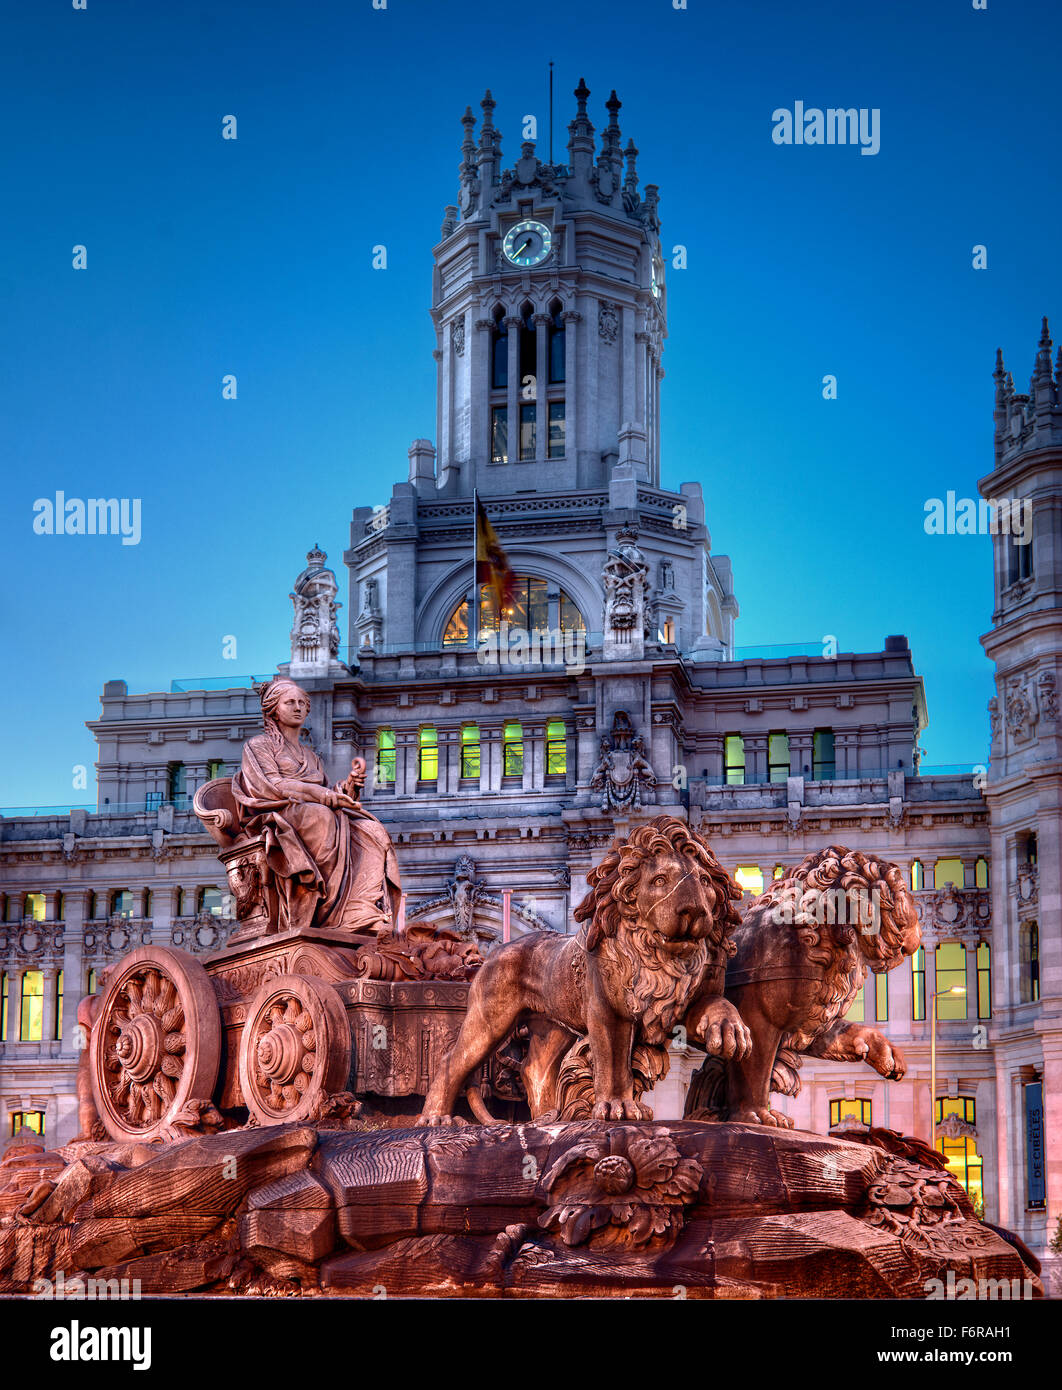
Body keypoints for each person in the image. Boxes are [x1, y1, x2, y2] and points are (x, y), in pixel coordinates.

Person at [232, 678, 401, 935]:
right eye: (290, 702)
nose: (298, 707)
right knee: (321, 817)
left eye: (302, 703)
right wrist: (322, 796)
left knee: (372, 831)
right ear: (273, 709)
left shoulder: (311, 756)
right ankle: (325, 912)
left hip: (314, 812)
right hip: (277, 813)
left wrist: (348, 788)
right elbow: (272, 786)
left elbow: (328, 790)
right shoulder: (257, 747)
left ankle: (358, 908)